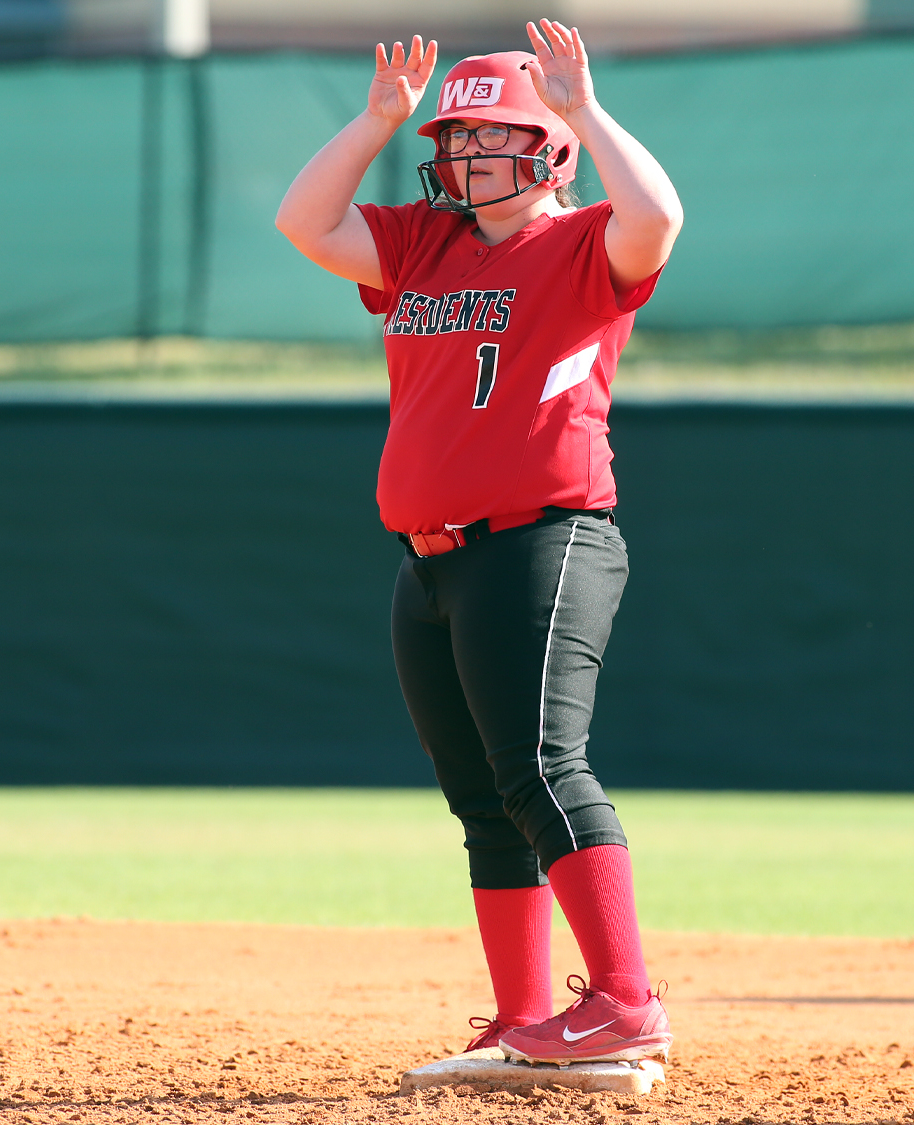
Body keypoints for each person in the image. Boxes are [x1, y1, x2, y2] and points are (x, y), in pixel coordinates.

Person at [274, 20, 681, 1067]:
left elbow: (659, 218)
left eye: (490, 137)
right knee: (484, 802)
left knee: (542, 769)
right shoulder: (423, 243)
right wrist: (373, 126)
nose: (462, 157)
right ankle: (522, 1024)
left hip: (542, 542)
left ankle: (624, 1004)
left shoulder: (585, 240)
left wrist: (587, 109)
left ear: (548, 149)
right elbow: (303, 221)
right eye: (454, 140)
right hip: (431, 560)